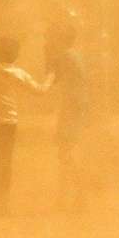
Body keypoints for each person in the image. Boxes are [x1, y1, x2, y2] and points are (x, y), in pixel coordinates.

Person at [0, 37, 53, 217]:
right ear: (15, 55)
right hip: (9, 123)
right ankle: (4, 203)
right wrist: (51, 77)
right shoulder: (17, 73)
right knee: (4, 162)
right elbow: (40, 91)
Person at [45, 20, 90, 211]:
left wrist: (47, 55)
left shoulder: (64, 56)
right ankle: (64, 198)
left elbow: (50, 80)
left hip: (71, 108)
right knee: (64, 153)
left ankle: (80, 193)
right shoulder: (75, 55)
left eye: (52, 37)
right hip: (75, 107)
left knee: (66, 153)